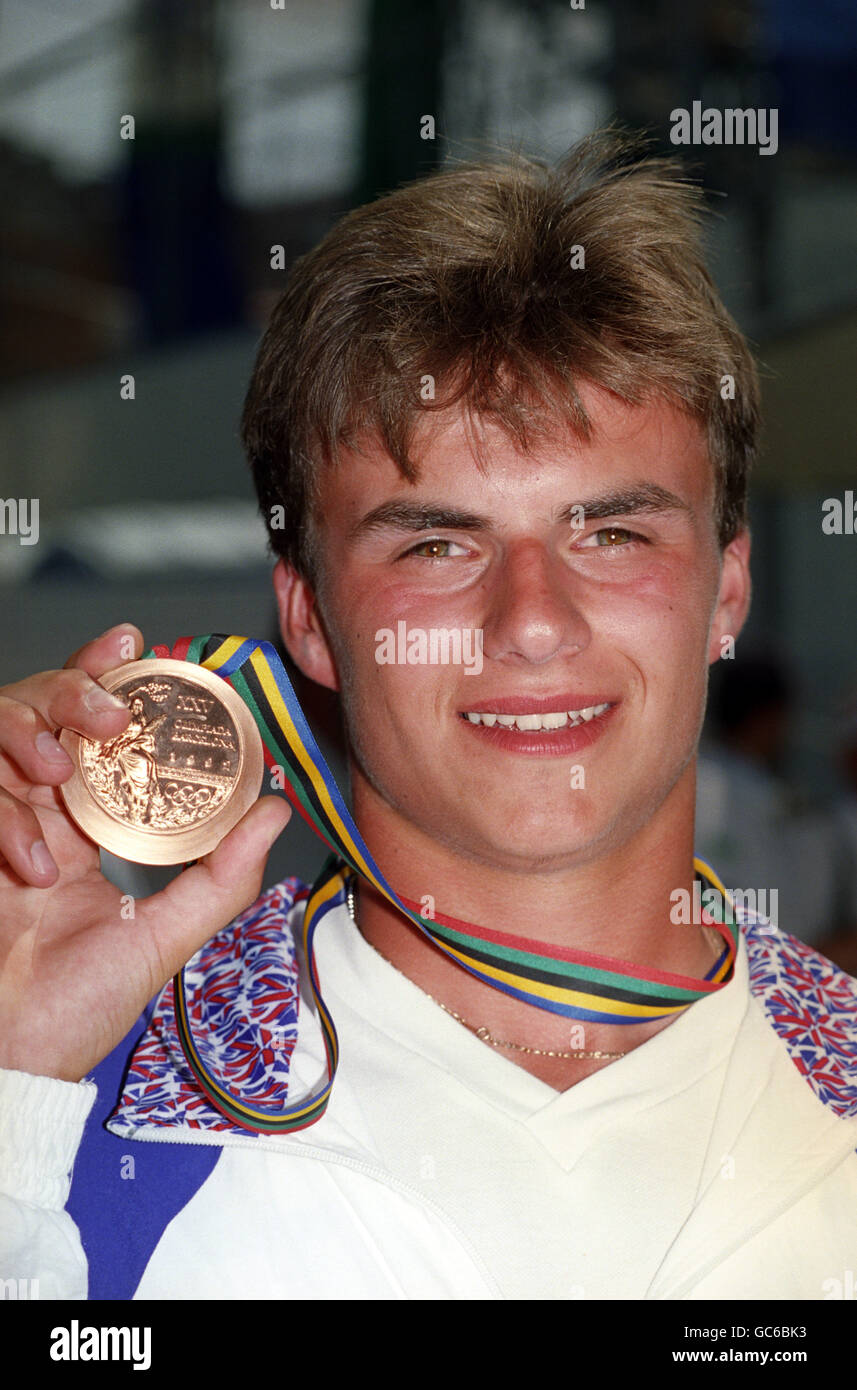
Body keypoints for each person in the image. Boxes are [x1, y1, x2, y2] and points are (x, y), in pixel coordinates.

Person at [1, 132, 856, 1301]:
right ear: (306, 619)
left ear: (727, 591)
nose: (532, 621)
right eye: (437, 542)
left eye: (610, 532)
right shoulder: (78, 1120)